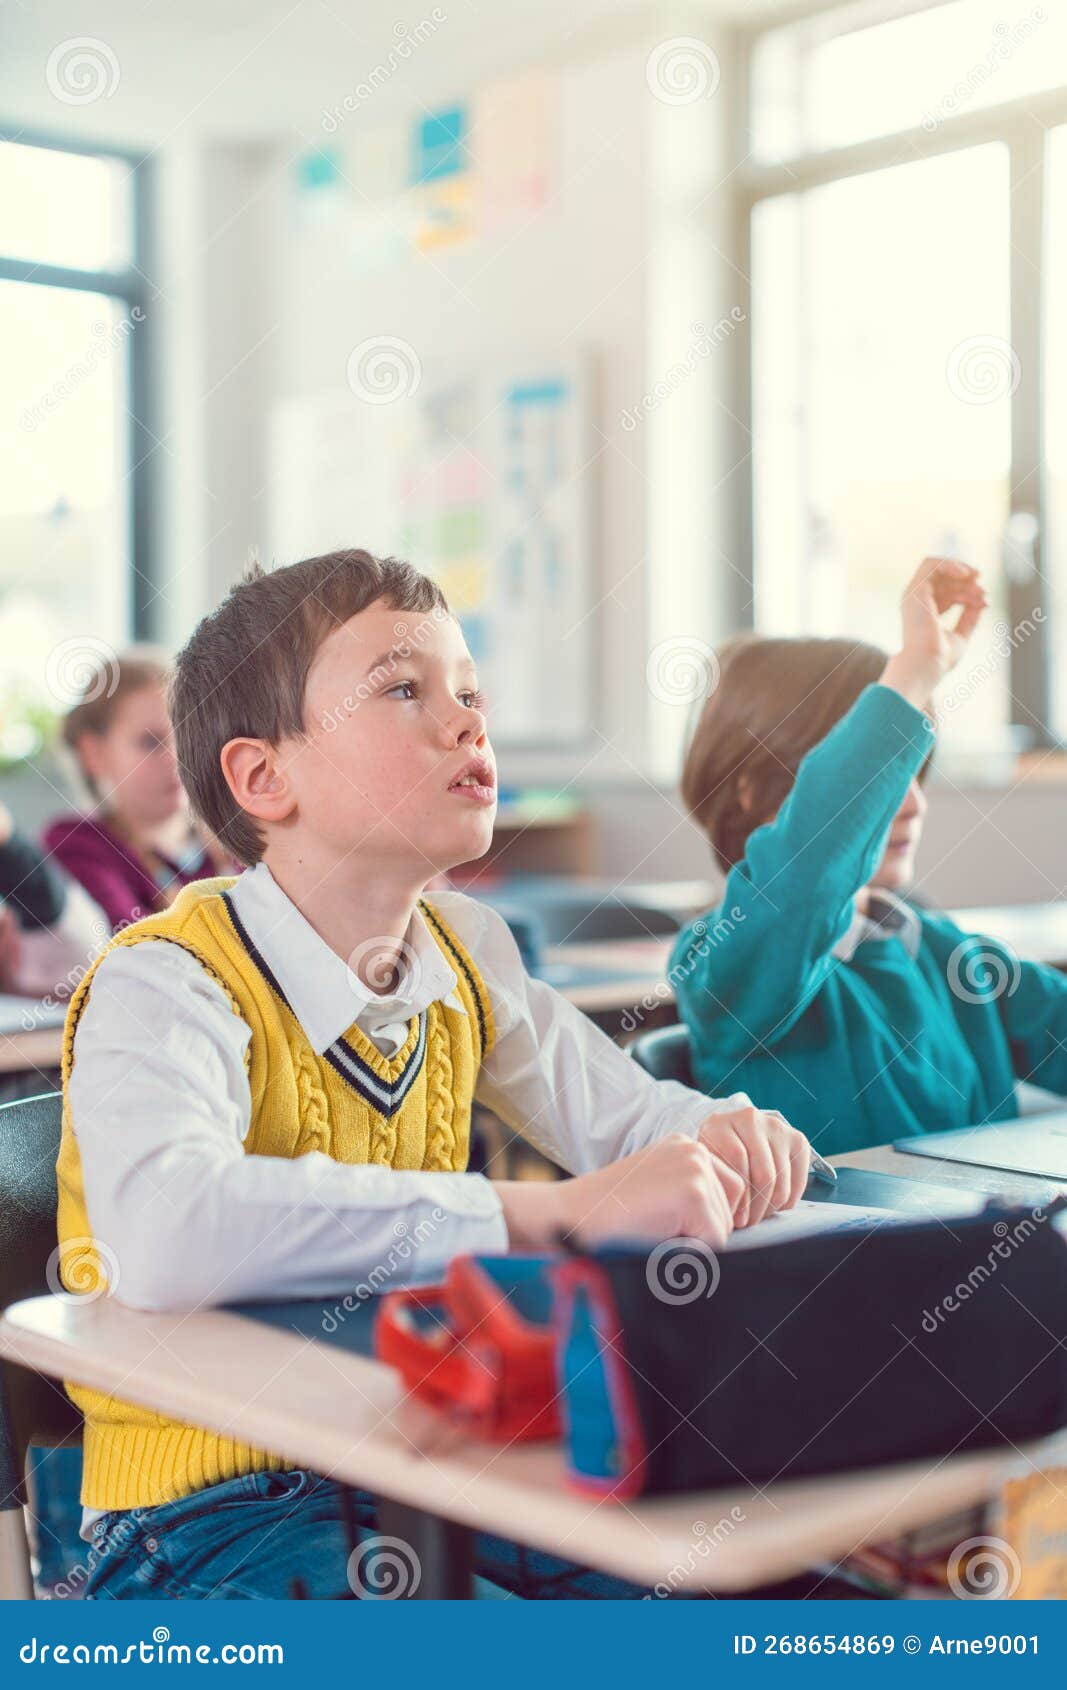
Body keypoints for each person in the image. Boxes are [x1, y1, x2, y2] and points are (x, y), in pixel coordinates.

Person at [56, 548, 811, 1600]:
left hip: (431, 1464)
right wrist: (548, 1215)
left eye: (469, 692)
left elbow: (629, 1118)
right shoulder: (163, 980)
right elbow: (170, 1229)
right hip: (206, 1521)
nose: (465, 722)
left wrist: (728, 1131)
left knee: (780, 1595)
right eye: (403, 689)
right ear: (261, 776)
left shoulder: (463, 950)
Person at [671, 556, 1067, 1154]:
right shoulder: (725, 963)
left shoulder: (942, 952)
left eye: (914, 771)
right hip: (854, 1249)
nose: (912, 804)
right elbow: (805, 876)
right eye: (884, 775)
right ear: (752, 791)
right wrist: (912, 672)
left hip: (997, 1239)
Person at [43, 649, 228, 933]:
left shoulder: (236, 843)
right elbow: (133, 945)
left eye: (187, 733)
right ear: (95, 754)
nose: (176, 758)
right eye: (151, 742)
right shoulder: (79, 845)